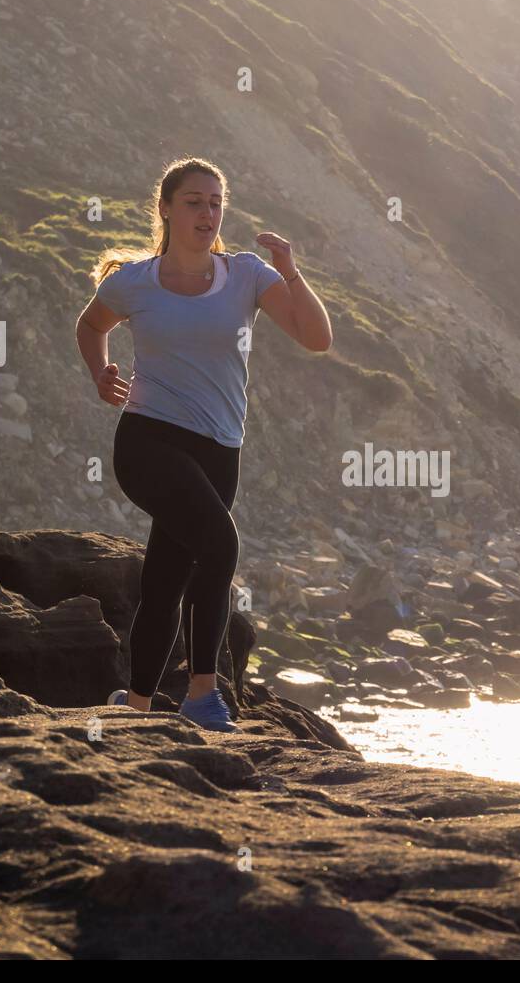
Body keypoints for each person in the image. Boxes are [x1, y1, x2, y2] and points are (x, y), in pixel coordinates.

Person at [76, 156, 332, 732]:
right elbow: (90, 325)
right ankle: (201, 695)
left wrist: (290, 271)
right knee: (219, 546)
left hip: (221, 447)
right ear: (165, 208)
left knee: (167, 576)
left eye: (216, 203)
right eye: (194, 202)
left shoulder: (245, 274)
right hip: (148, 440)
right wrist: (101, 372)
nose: (208, 213)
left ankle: (136, 706)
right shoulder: (133, 282)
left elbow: (317, 338)